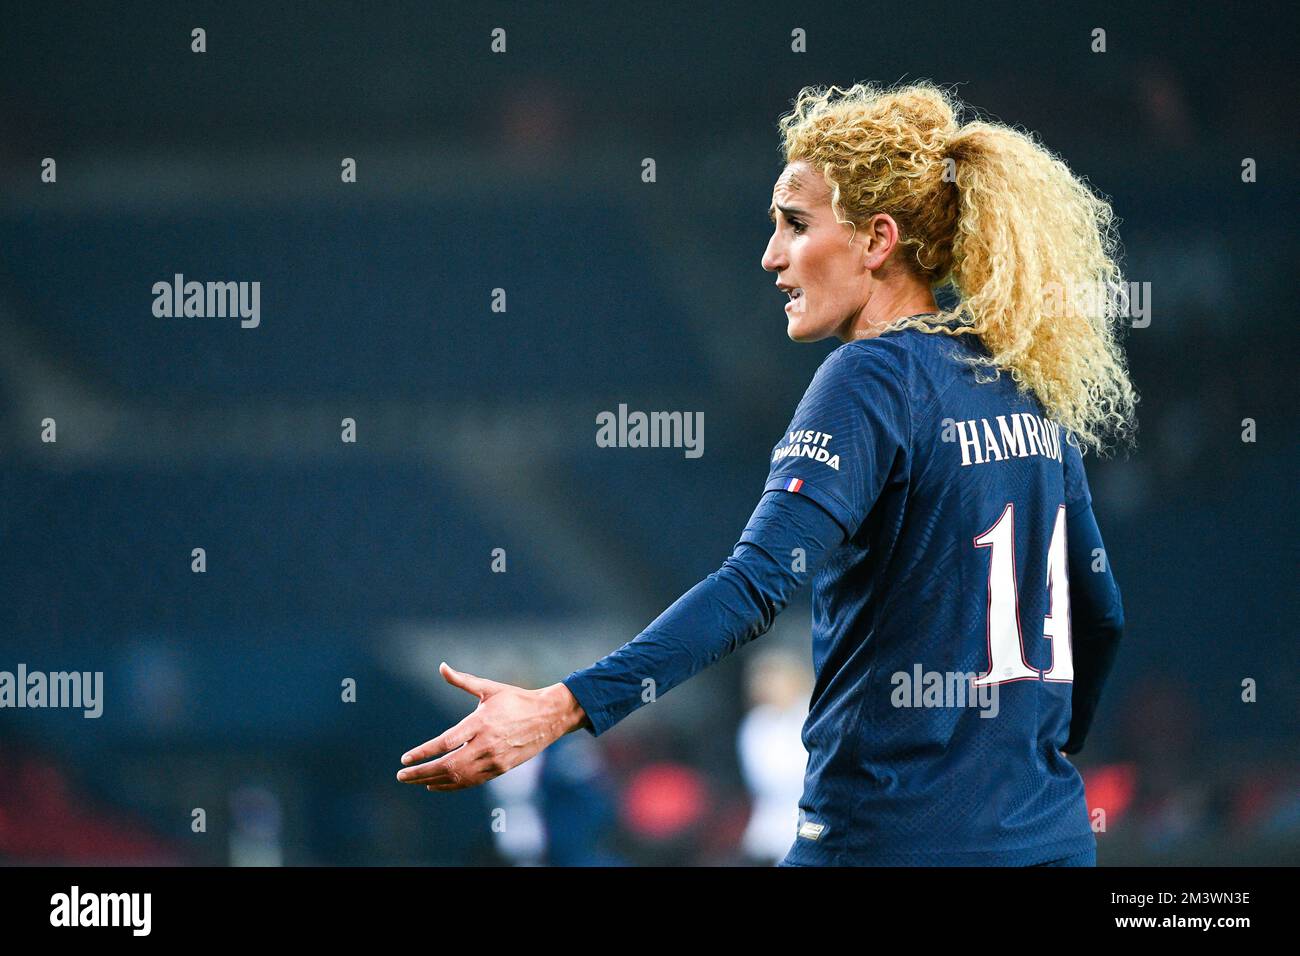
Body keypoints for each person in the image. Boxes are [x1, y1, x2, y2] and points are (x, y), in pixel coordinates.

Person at [397, 80, 1134, 866]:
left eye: (794, 226)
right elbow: (1101, 613)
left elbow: (753, 587)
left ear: (876, 240)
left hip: (887, 843)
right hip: (1050, 841)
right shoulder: (1021, 380)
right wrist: (1028, 762)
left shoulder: (870, 378)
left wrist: (563, 704)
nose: (771, 255)